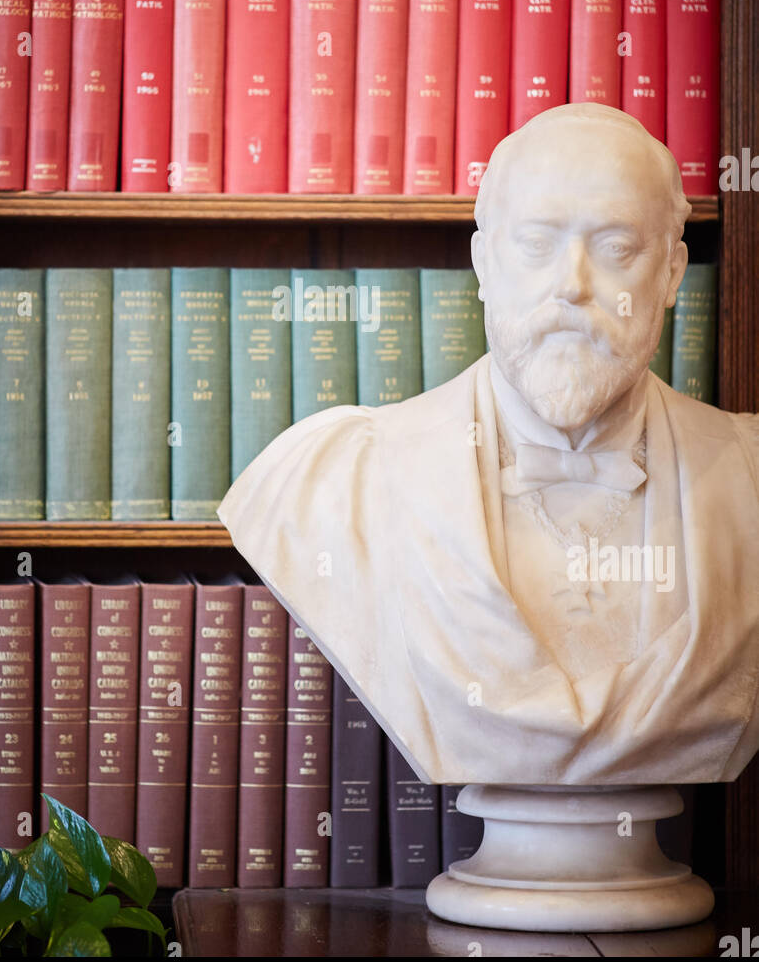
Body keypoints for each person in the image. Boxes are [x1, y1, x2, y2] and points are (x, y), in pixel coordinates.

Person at [218, 104, 759, 785]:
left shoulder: (749, 480)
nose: (573, 285)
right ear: (483, 263)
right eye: (536, 244)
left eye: (617, 246)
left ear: (674, 272)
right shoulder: (343, 478)